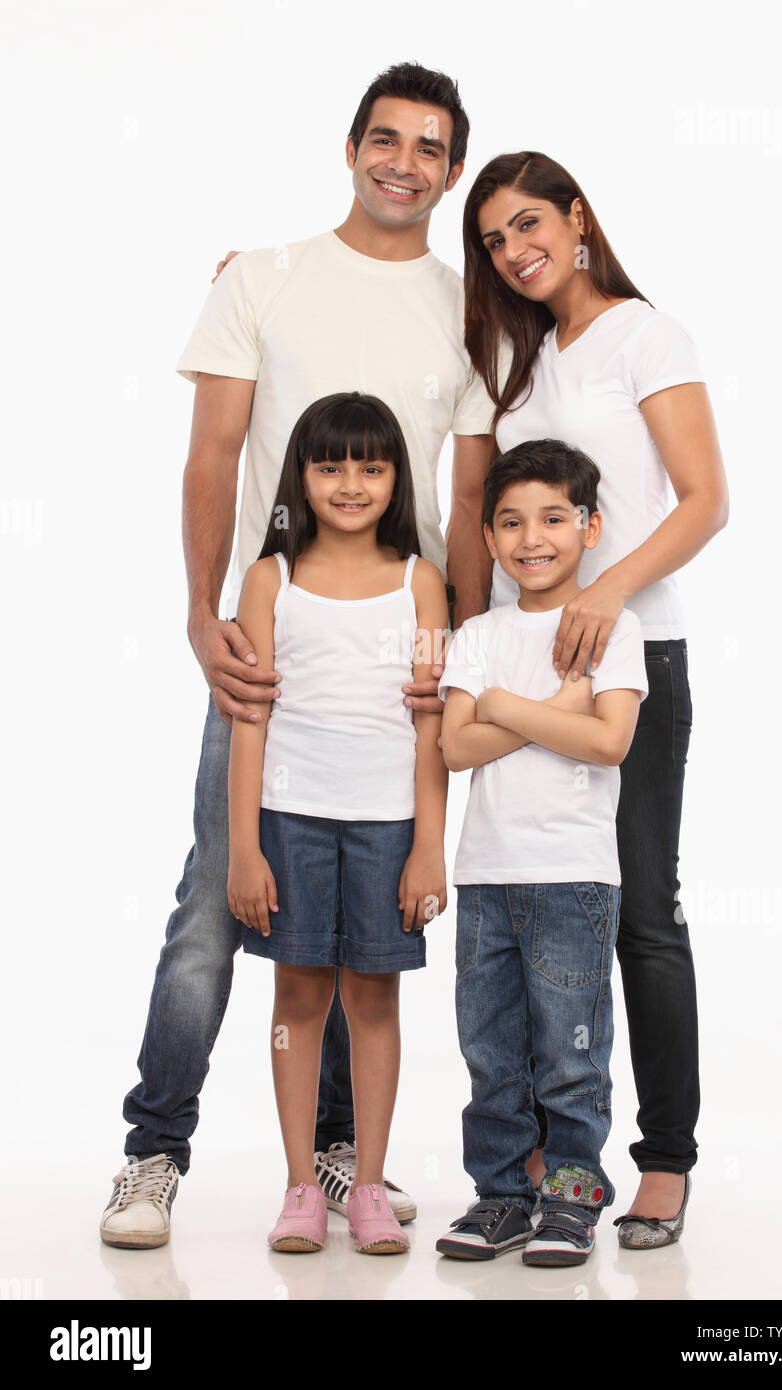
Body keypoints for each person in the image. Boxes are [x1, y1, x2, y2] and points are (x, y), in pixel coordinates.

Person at [100, 61, 495, 1249]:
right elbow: (211, 456)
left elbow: (469, 494)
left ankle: (337, 1161)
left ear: (451, 168)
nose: (402, 163)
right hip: (272, 645)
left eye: (429, 148)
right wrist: (196, 612)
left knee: (361, 928)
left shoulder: (465, 307)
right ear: (349, 146)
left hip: (401, 652)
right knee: (219, 911)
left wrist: (462, 656)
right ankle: (152, 1153)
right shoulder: (262, 281)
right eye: (385, 138)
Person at [460, 151, 729, 1246]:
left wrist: (606, 597)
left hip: (631, 656)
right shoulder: (509, 359)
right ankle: (534, 1161)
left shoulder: (642, 335)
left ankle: (660, 1160)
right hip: (515, 662)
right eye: (490, 240)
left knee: (638, 913)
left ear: (577, 218)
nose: (514, 251)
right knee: (527, 910)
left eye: (529, 224)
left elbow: (706, 500)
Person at [227, 392, 448, 1254]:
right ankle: (298, 1187)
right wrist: (245, 846)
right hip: (292, 821)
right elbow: (251, 719)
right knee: (299, 996)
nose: (351, 484)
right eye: (330, 466)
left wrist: (428, 845)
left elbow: (432, 722)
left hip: (388, 825)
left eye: (372, 466)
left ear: (396, 477)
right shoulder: (268, 579)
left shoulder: (419, 582)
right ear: (302, 477)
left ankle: (365, 1185)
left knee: (375, 998)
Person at [434, 439, 648, 1265]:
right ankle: (501, 1198)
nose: (534, 538)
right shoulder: (480, 632)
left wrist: (502, 707)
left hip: (574, 879)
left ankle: (570, 1198)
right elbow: (453, 750)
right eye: (512, 522)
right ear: (487, 538)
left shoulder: (610, 626)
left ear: (590, 528)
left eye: (555, 518)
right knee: (490, 1050)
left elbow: (608, 743)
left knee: (570, 1051)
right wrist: (554, 708)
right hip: (487, 875)